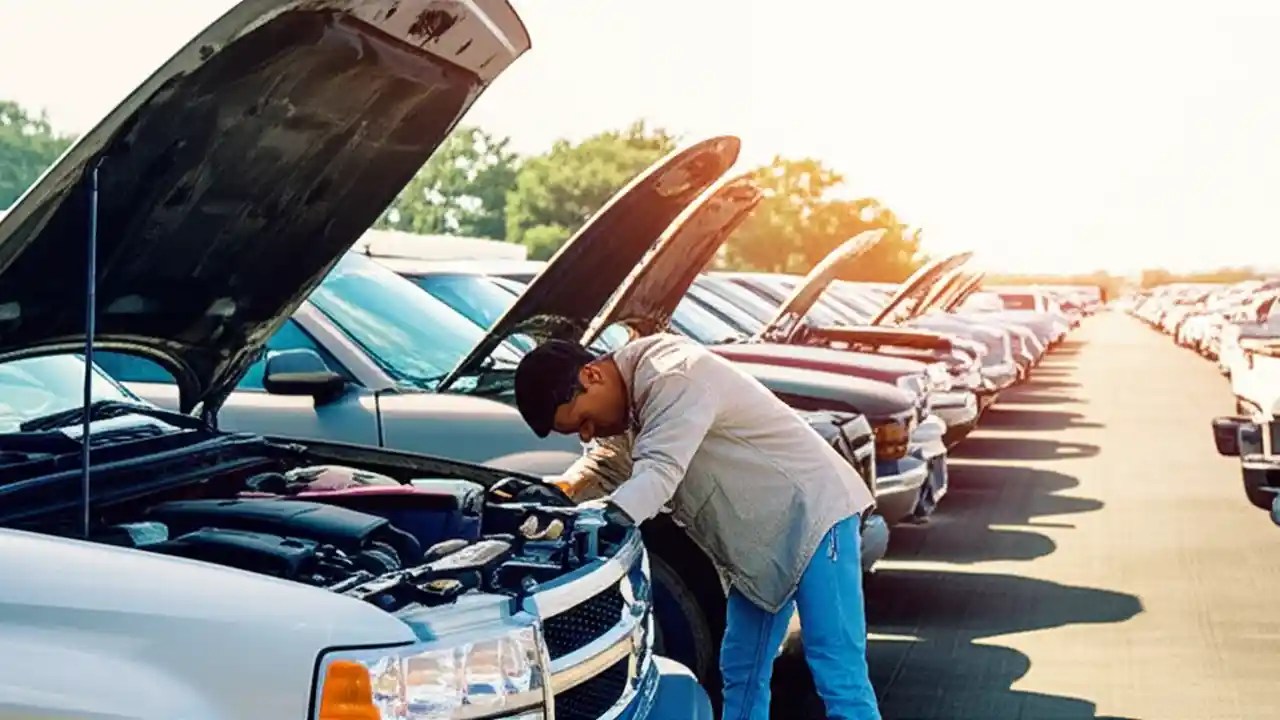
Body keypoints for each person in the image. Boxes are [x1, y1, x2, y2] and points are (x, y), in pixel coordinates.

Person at [512, 332, 882, 720]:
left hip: (815, 515)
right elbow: (603, 467)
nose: (587, 435)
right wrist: (545, 499)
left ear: (592, 375)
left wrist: (606, 522)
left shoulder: (675, 376)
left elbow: (659, 471)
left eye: (585, 422)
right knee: (742, 670)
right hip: (762, 545)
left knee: (838, 673)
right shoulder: (629, 403)